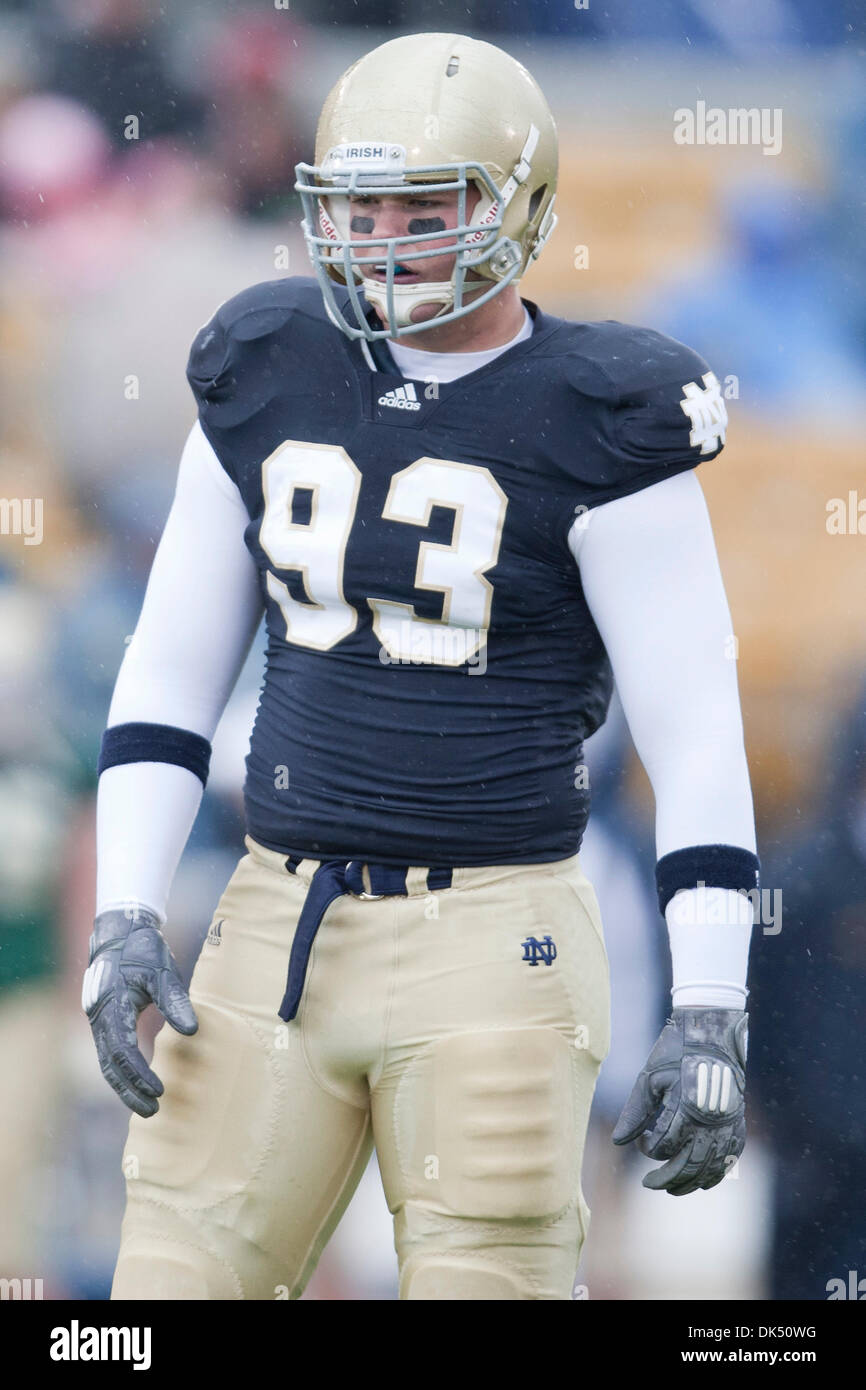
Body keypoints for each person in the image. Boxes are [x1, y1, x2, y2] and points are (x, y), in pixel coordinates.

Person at [84, 32, 759, 1301]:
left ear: (516, 207)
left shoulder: (601, 412)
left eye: (426, 206)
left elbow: (696, 735)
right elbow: (169, 674)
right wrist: (126, 909)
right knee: (157, 1297)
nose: (384, 237)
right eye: (360, 204)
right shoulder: (268, 365)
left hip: (496, 939)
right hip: (272, 916)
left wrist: (711, 997)